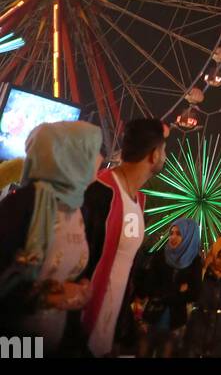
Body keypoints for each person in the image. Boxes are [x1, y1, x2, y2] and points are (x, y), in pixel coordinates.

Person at [0, 120, 103, 355]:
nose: (99, 159)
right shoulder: (23, 204)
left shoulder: (79, 209)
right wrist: (47, 296)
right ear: (70, 157)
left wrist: (81, 286)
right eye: (93, 151)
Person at [81, 116, 167, 357]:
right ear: (153, 155)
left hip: (109, 333)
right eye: (164, 150)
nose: (165, 157)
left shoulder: (140, 201)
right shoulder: (100, 192)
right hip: (81, 330)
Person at [136, 218, 202, 357]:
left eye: (179, 234)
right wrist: (178, 290)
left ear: (189, 236)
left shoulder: (194, 261)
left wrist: (165, 293)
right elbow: (149, 286)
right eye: (171, 233)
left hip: (175, 323)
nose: (173, 237)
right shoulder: (161, 255)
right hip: (152, 318)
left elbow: (194, 293)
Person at [183, 236, 221, 357]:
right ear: (214, 254)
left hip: (220, 328)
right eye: (219, 256)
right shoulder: (204, 271)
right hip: (199, 323)